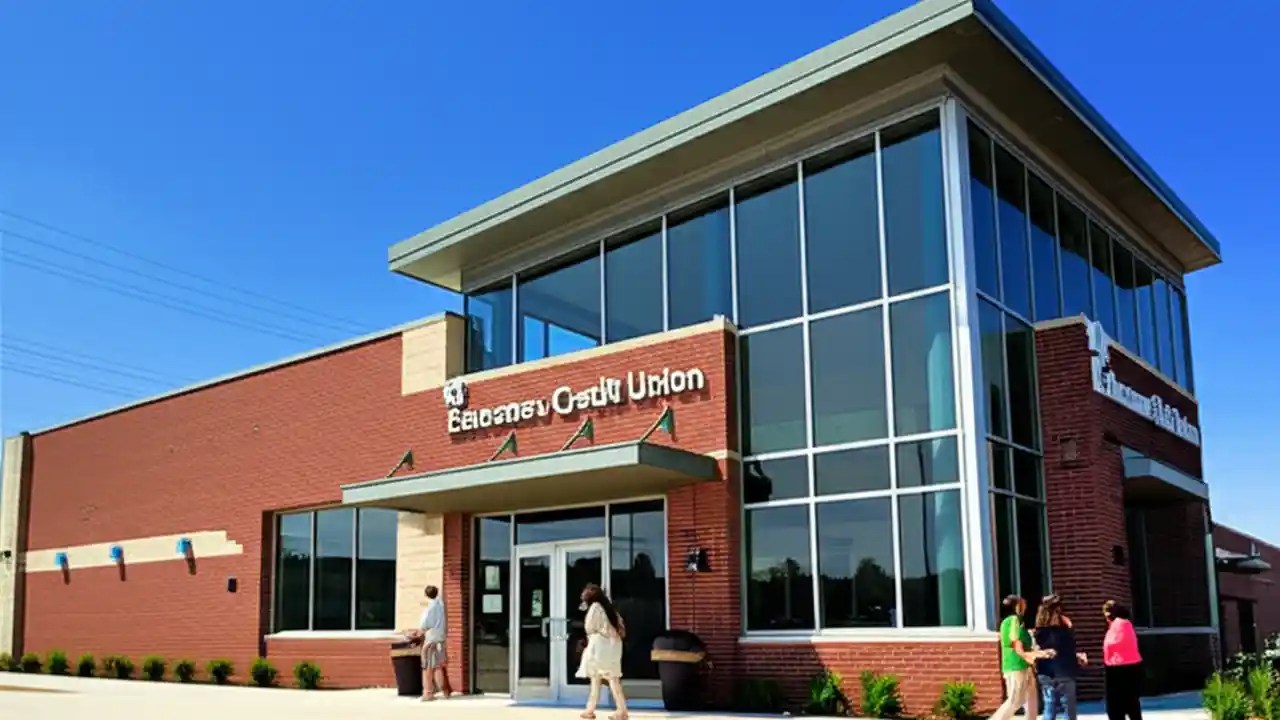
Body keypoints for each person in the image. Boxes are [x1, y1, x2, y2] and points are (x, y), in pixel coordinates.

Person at [990, 595, 1055, 720]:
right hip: (1016, 664)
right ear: (1016, 606)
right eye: (1022, 604)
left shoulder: (1016, 622)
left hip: (1025, 665)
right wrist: (1027, 655)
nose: (1025, 606)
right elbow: (1015, 641)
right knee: (1016, 699)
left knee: (1031, 699)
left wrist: (1039, 653)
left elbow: (1025, 644)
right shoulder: (1013, 620)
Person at [578, 583, 629, 720]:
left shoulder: (595, 608)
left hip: (600, 647)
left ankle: (621, 710)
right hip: (613, 646)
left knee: (603, 679)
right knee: (607, 678)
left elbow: (589, 628)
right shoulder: (610, 609)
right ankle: (591, 709)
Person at [1034, 595, 1088, 720]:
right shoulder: (1064, 631)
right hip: (1065, 671)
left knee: (1049, 706)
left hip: (1046, 672)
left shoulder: (1039, 632)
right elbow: (1068, 647)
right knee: (1069, 708)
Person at [1102, 600, 1144, 720]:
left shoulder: (1119, 624)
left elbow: (1111, 645)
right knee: (1132, 701)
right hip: (1132, 665)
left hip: (1117, 667)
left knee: (1115, 704)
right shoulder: (1127, 624)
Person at [419, 585, 452, 701]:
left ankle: (428, 692)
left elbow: (424, 624)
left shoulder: (430, 608)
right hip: (440, 638)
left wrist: (419, 631)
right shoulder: (442, 605)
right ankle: (445, 690)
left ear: (426, 595)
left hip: (431, 639)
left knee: (427, 667)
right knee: (439, 665)